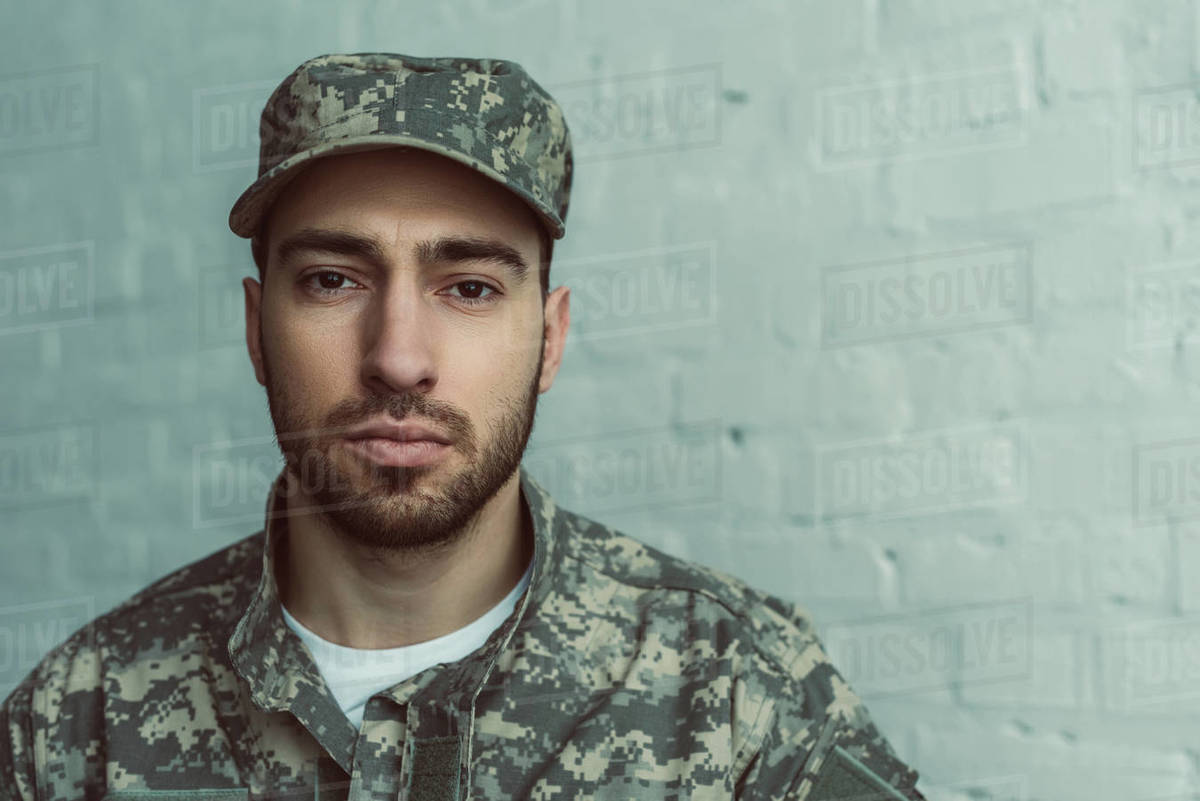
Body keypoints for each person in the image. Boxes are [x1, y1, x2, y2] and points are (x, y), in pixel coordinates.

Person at [0, 52, 925, 800]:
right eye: (334, 279)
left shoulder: (731, 690)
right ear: (255, 328)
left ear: (550, 339)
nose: (399, 356)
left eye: (470, 287)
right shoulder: (77, 725)